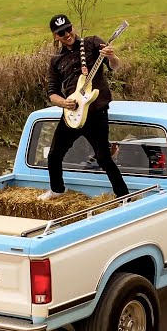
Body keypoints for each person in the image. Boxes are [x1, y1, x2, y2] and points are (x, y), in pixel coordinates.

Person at [41, 14, 130, 200]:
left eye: (68, 29)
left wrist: (112, 56)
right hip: (72, 112)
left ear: (72, 27)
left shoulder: (91, 43)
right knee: (54, 154)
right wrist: (63, 102)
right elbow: (52, 92)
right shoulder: (56, 60)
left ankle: (124, 196)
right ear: (55, 36)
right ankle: (57, 189)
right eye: (61, 33)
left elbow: (115, 66)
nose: (67, 34)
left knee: (103, 157)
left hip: (96, 113)